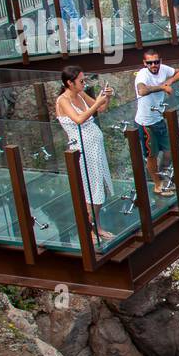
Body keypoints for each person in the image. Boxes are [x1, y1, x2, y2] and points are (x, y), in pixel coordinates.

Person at [55, 64, 115, 244]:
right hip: (81, 150)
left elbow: (100, 109)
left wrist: (106, 98)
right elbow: (79, 119)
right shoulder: (63, 100)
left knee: (100, 185)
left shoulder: (80, 94)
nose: (84, 83)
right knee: (91, 189)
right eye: (81, 81)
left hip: (95, 147)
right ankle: (88, 229)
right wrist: (97, 102)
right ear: (69, 83)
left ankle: (96, 226)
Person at [134, 50, 179, 198]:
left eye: (156, 62)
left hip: (158, 119)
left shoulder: (163, 69)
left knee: (170, 150)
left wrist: (169, 81)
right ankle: (157, 184)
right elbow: (142, 90)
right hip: (145, 122)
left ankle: (163, 176)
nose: (154, 65)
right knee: (152, 155)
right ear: (145, 64)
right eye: (150, 63)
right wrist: (162, 87)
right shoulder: (143, 74)